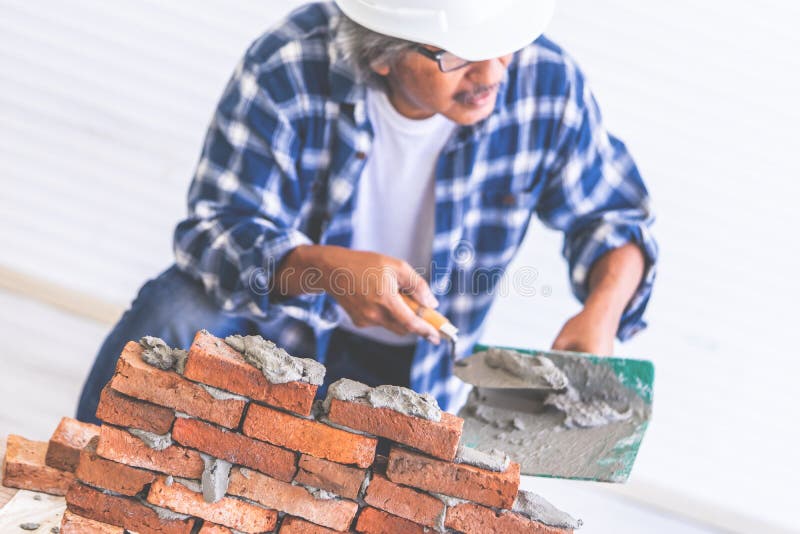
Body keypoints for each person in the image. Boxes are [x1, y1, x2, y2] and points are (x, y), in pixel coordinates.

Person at [76, 0, 657, 422]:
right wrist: (320, 269)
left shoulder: (545, 83)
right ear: (383, 54)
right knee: (175, 307)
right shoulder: (290, 64)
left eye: (503, 42)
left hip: (416, 367)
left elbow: (614, 217)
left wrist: (602, 312)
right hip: (278, 330)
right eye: (462, 56)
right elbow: (213, 229)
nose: (493, 74)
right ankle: (84, 475)